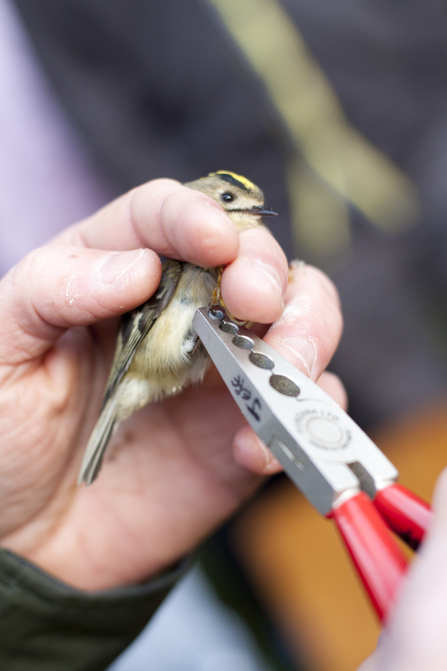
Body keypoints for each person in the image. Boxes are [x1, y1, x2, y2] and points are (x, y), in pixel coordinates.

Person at [0, 177, 344, 668]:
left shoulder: (223, 263)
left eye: (252, 206)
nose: (247, 211)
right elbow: (140, 336)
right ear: (201, 199)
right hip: (142, 371)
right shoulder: (176, 257)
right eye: (230, 202)